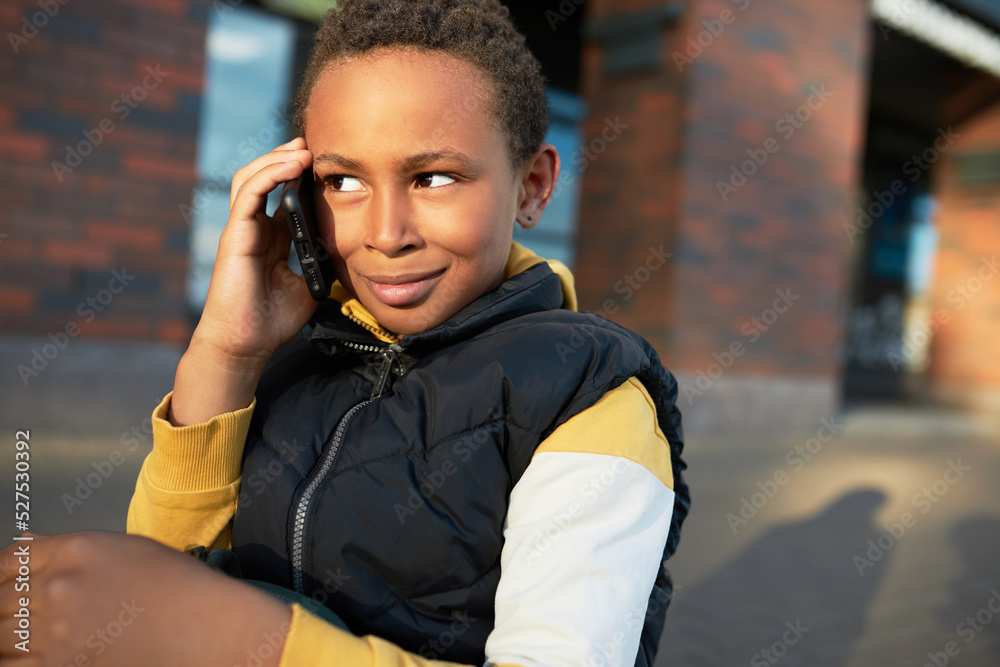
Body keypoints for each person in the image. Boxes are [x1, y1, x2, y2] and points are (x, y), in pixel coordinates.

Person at [0, 1, 689, 665]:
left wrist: (233, 640)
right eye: (342, 182)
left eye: (435, 176)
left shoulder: (589, 401)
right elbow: (167, 586)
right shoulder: (296, 354)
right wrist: (227, 352)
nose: (386, 235)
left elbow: (184, 621)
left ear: (533, 186)